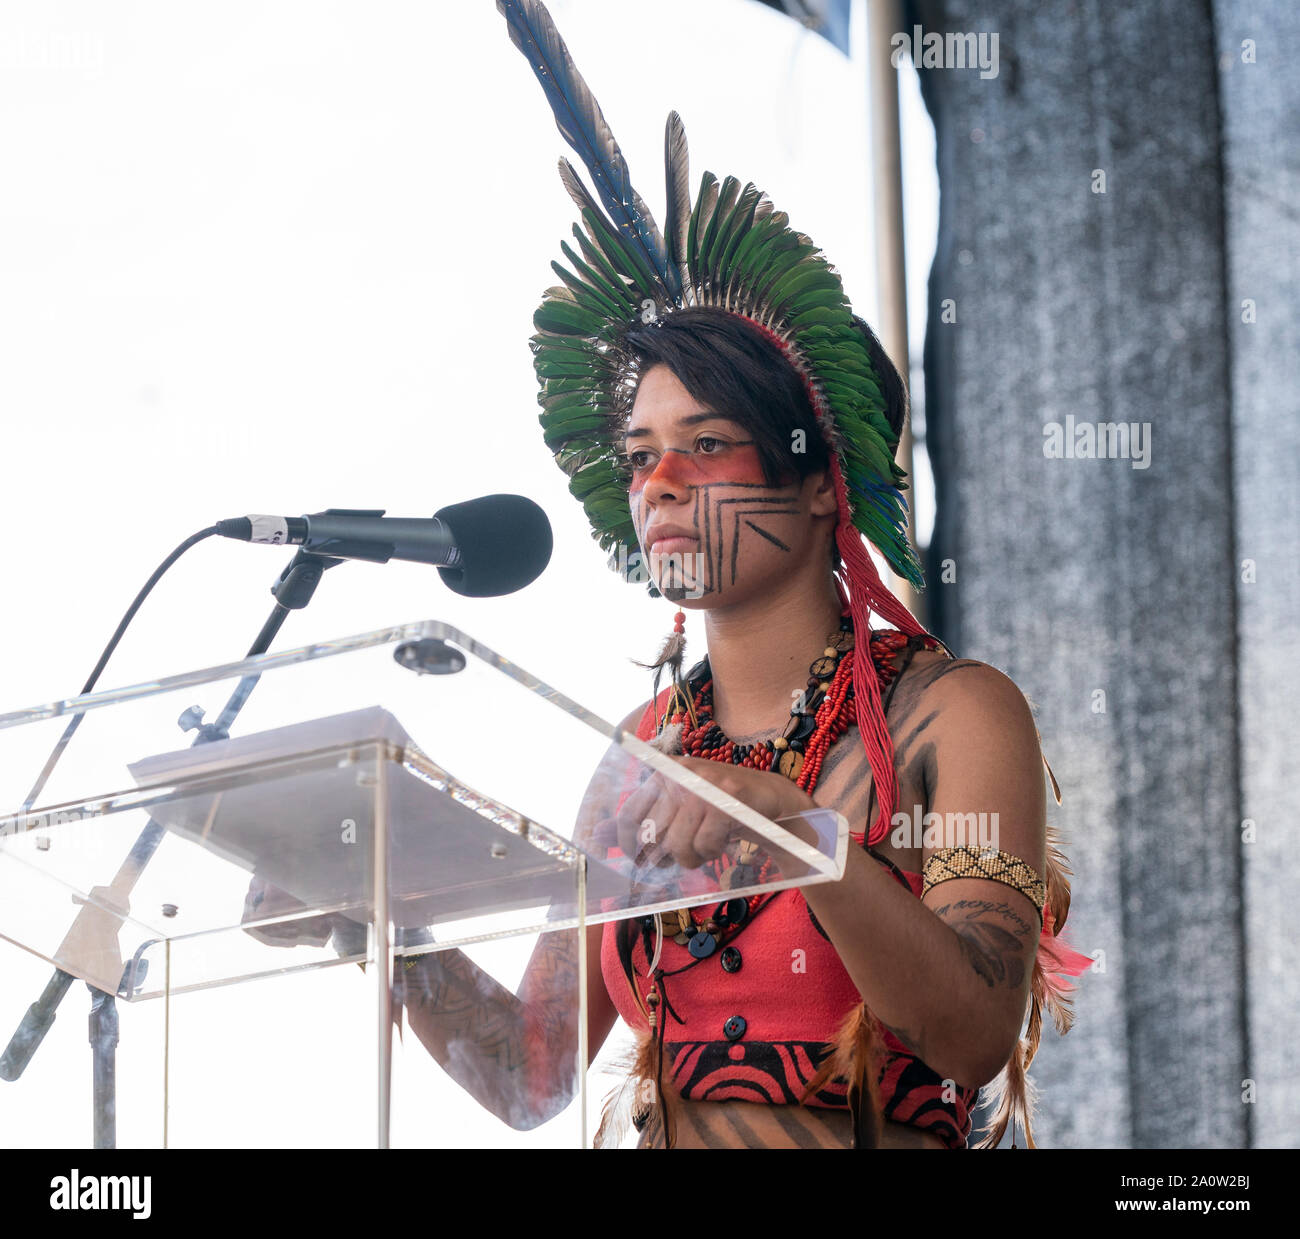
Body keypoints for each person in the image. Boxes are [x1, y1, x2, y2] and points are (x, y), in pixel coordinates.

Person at [386, 0, 1091, 1148]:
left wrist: (799, 832)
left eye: (705, 444)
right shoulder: (642, 752)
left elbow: (969, 1028)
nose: (657, 480)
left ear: (821, 484)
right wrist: (385, 917)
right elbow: (529, 1072)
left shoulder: (954, 719)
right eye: (636, 456)